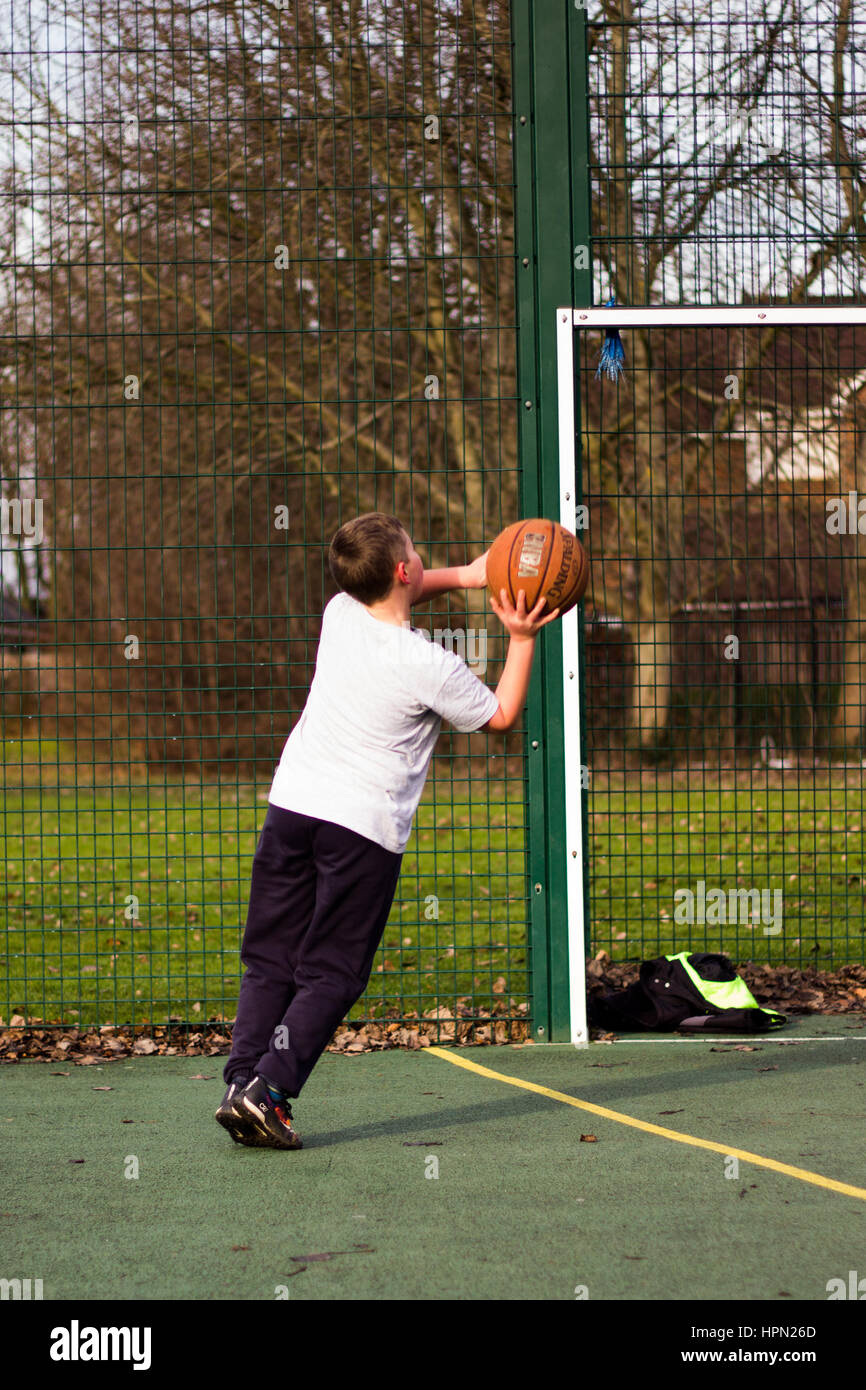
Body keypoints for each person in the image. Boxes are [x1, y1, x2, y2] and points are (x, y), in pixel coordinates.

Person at [216, 512, 558, 1148]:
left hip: (291, 807)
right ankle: (273, 1090)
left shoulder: (338, 614)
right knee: (331, 972)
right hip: (359, 831)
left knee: (269, 960)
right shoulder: (429, 665)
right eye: (416, 554)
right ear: (404, 569)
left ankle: (244, 1087)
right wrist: (521, 636)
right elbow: (503, 714)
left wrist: (469, 575)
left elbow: (393, 588)